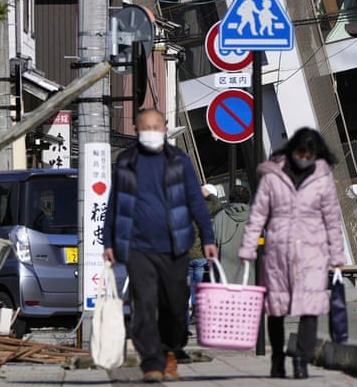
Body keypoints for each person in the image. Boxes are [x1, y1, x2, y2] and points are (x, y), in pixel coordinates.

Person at [103, 108, 218, 383]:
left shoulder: (179, 161)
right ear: (136, 130)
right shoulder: (126, 162)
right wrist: (108, 241)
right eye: (146, 127)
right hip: (138, 246)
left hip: (176, 246)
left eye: (156, 127)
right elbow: (114, 204)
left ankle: (170, 352)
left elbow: (195, 199)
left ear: (165, 130)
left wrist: (208, 237)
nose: (152, 132)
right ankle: (152, 362)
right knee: (144, 305)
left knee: (176, 305)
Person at [239, 128, 345, 379]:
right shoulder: (272, 176)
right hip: (278, 251)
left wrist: (337, 256)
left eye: (309, 154)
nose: (304, 158)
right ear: (292, 150)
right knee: (276, 309)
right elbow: (258, 215)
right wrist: (248, 247)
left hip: (312, 252)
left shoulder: (322, 178)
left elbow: (332, 219)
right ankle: (277, 359)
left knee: (310, 309)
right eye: (300, 152)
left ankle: (301, 359)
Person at [186, 184, 224, 326]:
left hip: (186, 254)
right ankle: (198, 312)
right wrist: (208, 194)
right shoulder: (202, 211)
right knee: (199, 285)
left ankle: (190, 314)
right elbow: (218, 204)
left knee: (189, 287)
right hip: (200, 255)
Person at [212, 184, 251, 284]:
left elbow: (212, 244)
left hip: (225, 278)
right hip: (251, 276)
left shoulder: (219, 217)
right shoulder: (255, 217)